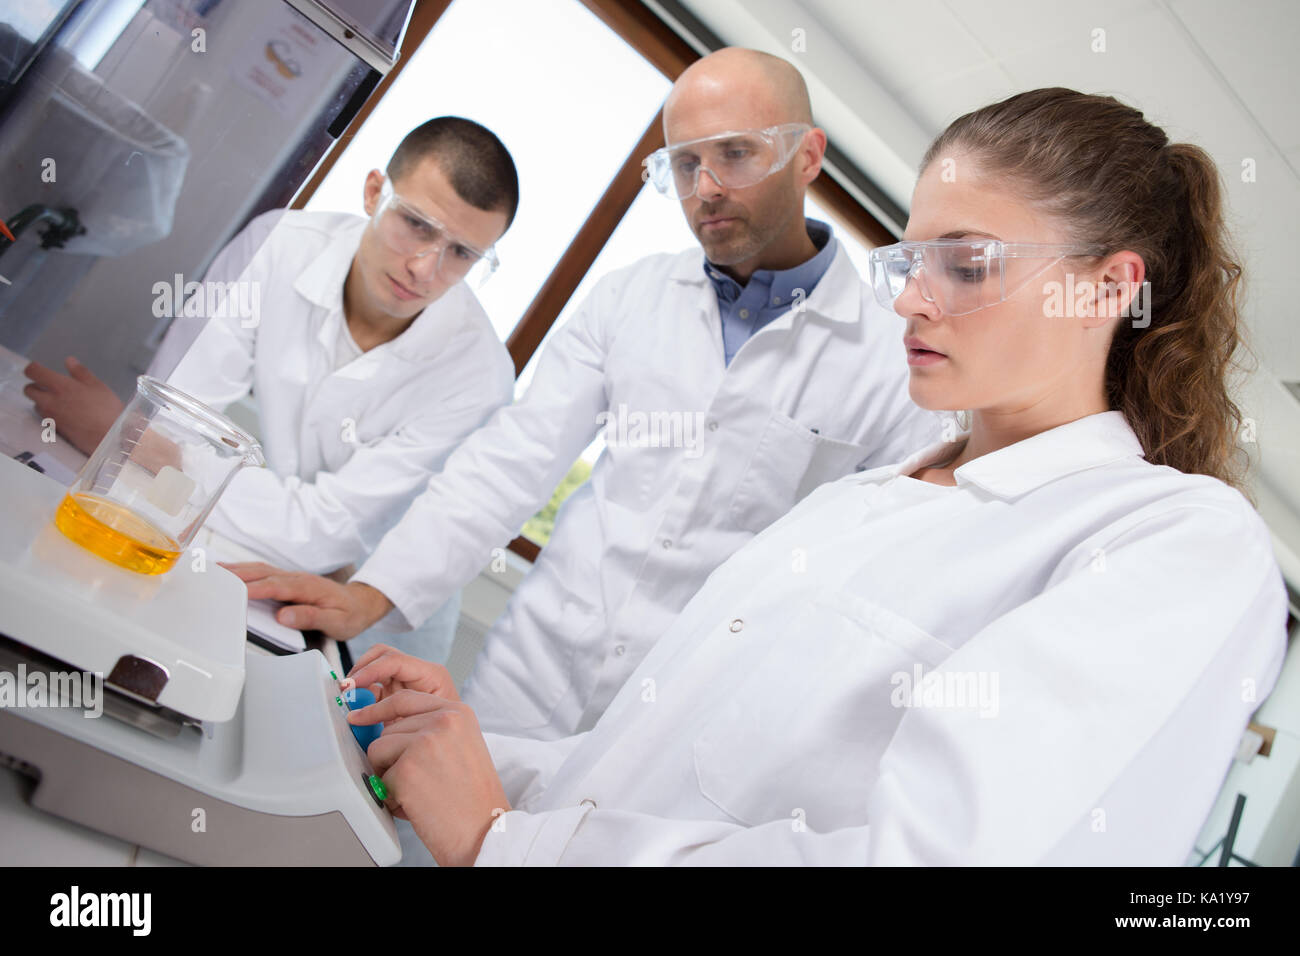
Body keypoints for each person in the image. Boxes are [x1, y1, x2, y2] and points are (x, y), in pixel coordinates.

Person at [333, 87, 1290, 866]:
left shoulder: (1173, 541)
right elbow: (643, 776)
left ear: (1109, 288)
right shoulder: (860, 501)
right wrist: (463, 750)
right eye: (913, 260)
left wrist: (504, 846)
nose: (913, 298)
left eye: (965, 263)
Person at [228, 48, 939, 739]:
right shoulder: (630, 298)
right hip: (529, 681)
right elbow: (511, 463)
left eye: (735, 154)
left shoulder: (891, 361)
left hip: (688, 719)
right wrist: (369, 596)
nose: (707, 187)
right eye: (684, 164)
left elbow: (878, 571)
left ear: (807, 155)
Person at [21, 117, 519, 665]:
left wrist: (137, 443)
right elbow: (173, 415)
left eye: (463, 254)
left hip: (361, 616)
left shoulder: (478, 376)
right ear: (375, 191)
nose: (425, 269)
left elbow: (317, 536)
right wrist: (152, 442)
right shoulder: (280, 245)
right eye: (417, 224)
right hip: (245, 555)